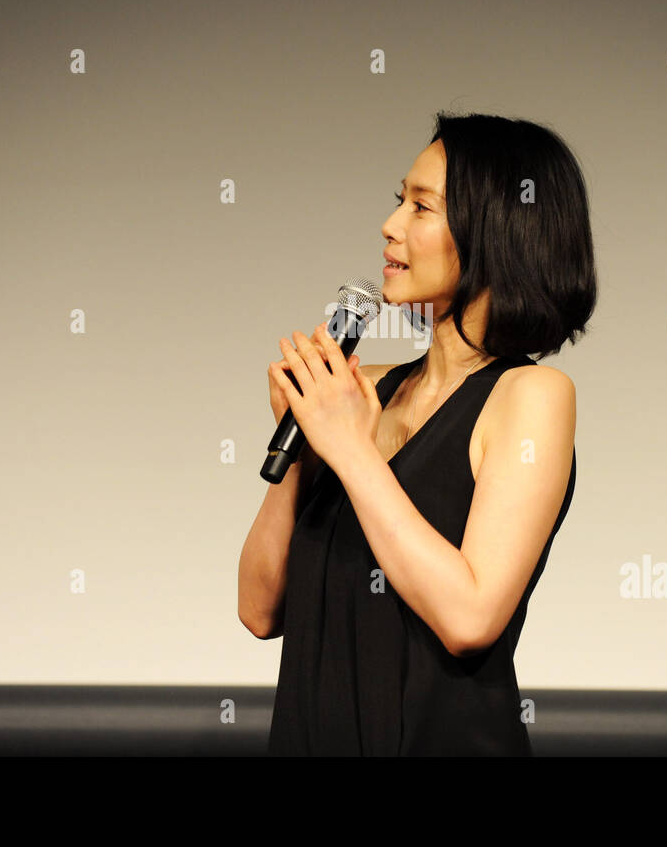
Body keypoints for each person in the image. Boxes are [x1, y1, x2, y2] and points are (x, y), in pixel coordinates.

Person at [238, 112, 597, 755]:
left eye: (421, 207)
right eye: (398, 201)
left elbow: (470, 618)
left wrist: (348, 449)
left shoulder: (531, 397)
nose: (391, 226)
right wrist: (299, 446)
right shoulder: (357, 396)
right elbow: (260, 609)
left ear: (495, 233)